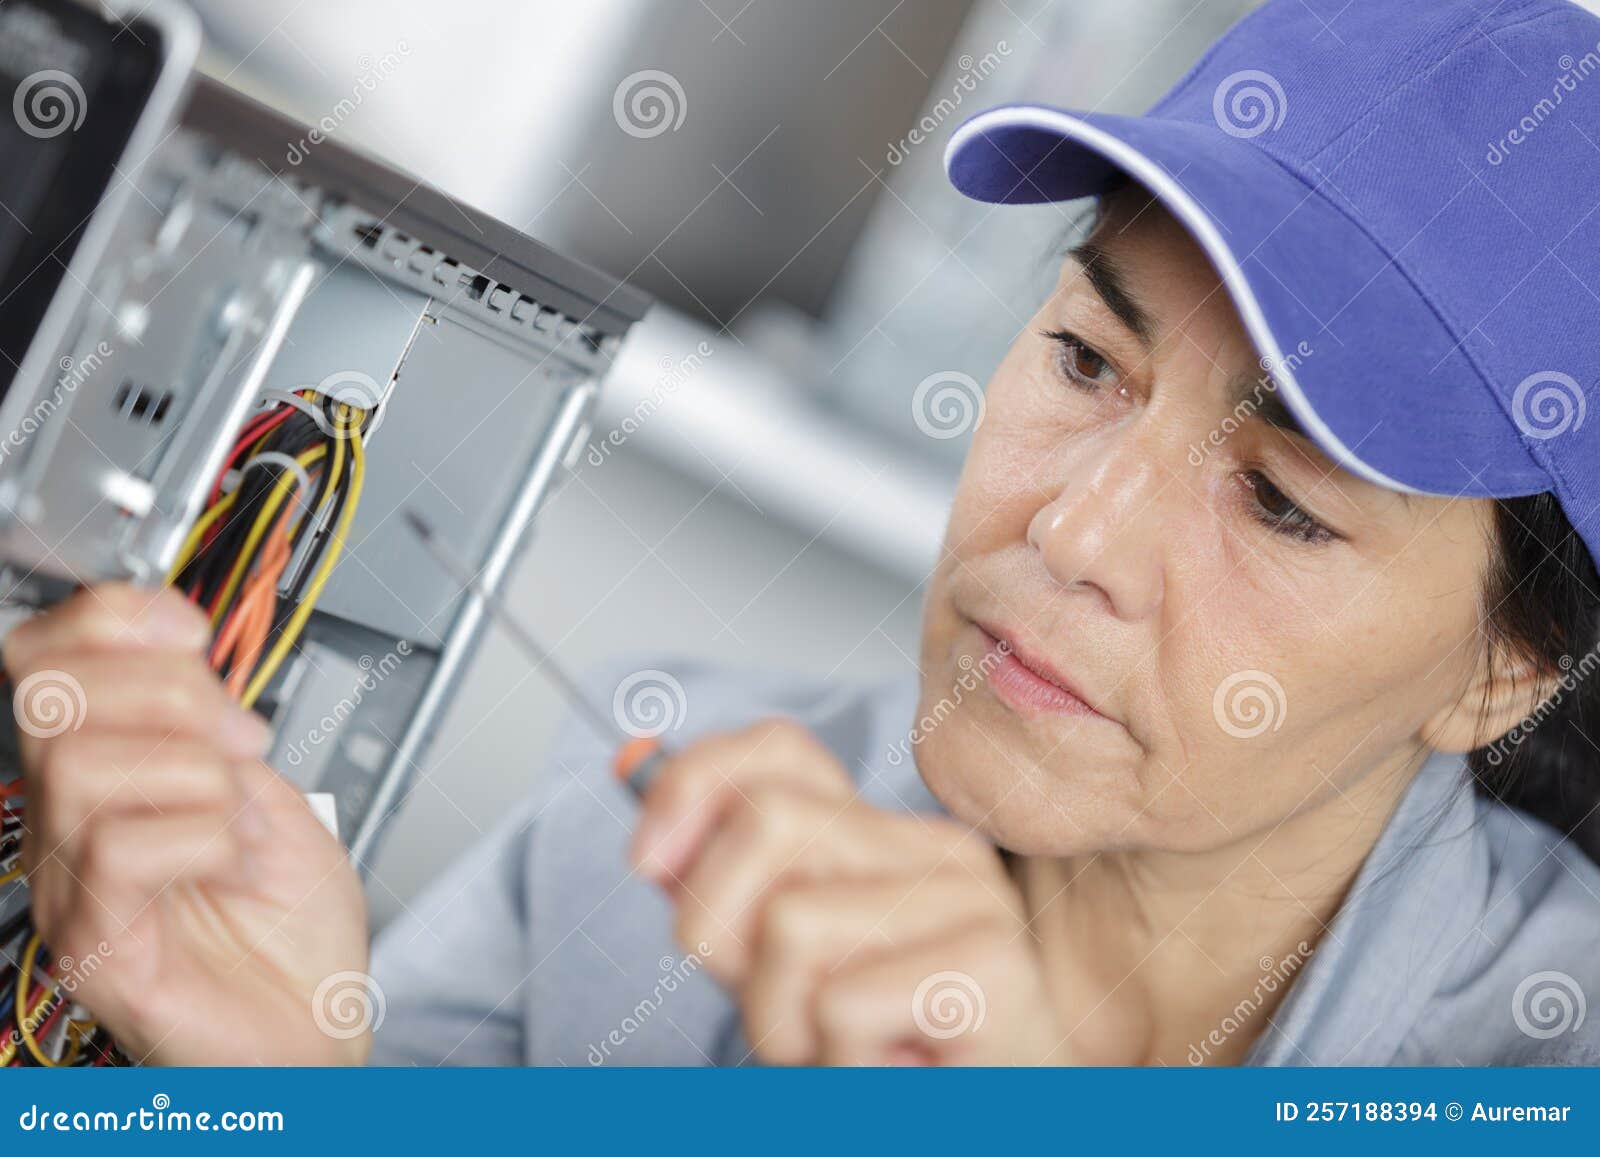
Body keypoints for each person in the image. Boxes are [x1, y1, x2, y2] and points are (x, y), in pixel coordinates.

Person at [9, 0, 1600, 1066]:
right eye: (1086, 361)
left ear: (1508, 671)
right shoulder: (638, 843)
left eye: (1278, 498)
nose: (1074, 527)